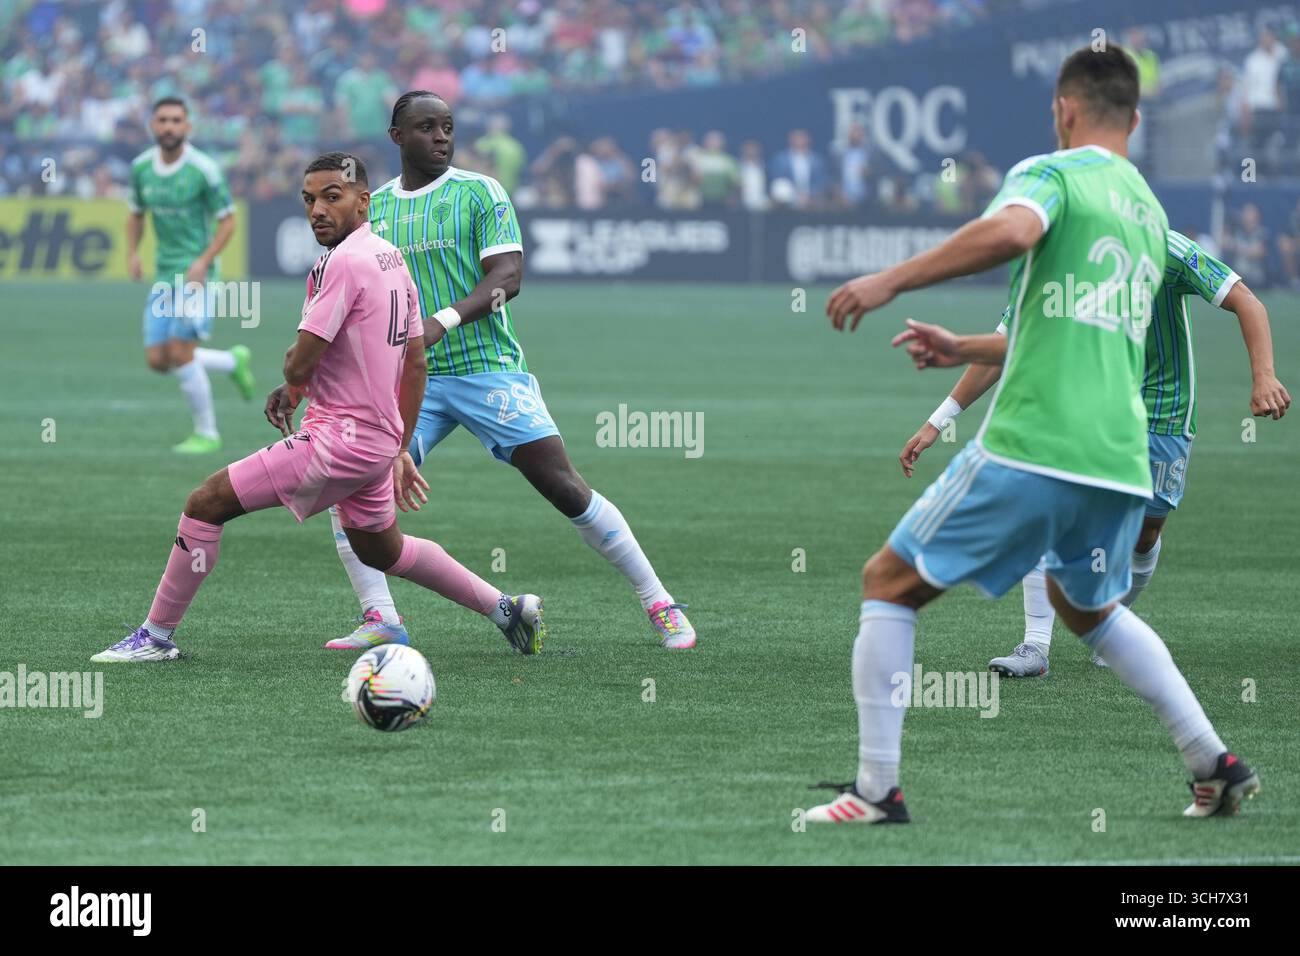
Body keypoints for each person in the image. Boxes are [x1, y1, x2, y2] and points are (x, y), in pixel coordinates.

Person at [808, 46, 1259, 824]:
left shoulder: (1051, 174)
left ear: (1064, 109)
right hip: (1121, 455)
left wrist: (890, 278)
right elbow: (1070, 333)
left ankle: (877, 790)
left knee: (889, 582)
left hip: (1037, 440)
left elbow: (1012, 233)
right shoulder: (1147, 212)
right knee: (1090, 611)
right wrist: (964, 348)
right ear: (1137, 119)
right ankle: (1213, 764)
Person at [279, 92, 696, 651]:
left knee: (562, 485)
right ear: (398, 137)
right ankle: (381, 617)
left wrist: (441, 321)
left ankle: (660, 603)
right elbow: (344, 292)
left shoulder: (480, 193)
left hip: (487, 368)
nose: (442, 137)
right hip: (405, 379)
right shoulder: (370, 208)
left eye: (448, 127)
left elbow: (508, 276)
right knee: (347, 485)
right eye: (427, 128)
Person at [93, 153, 544, 663]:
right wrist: (397, 445)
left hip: (338, 442)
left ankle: (155, 636)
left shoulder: (343, 263)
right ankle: (507, 609)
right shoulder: (392, 259)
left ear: (363, 201)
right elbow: (414, 362)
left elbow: (299, 359)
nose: (318, 210)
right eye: (309, 200)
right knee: (382, 550)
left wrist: (294, 380)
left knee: (206, 502)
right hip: (374, 441)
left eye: (333, 196)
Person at [894, 231, 1289, 677]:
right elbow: (1005, 347)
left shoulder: (1164, 248)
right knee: (1042, 509)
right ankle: (1035, 648)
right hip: (1086, 406)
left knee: (1144, 534)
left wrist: (1264, 377)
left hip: (1161, 412)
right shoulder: (1052, 259)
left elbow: (1247, 301)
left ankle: (1111, 627)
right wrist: (938, 421)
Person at [127, 97, 255, 455]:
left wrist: (204, 260)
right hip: (164, 273)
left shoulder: (203, 169)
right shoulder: (141, 169)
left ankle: (208, 433)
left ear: (187, 127)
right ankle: (232, 361)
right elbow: (136, 213)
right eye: (163, 120)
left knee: (181, 351)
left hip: (197, 274)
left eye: (176, 120)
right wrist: (133, 252)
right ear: (153, 126)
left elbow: (227, 220)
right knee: (158, 359)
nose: (169, 126)